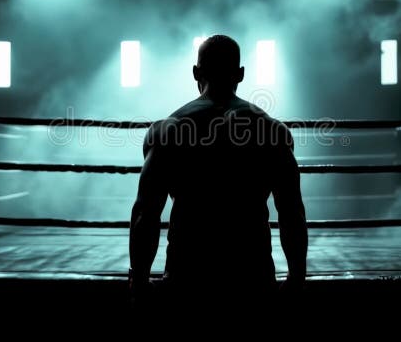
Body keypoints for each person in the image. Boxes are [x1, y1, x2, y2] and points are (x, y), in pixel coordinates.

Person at [128, 34, 307, 308]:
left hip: (188, 272)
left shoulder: (169, 130)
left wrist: (138, 278)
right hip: (251, 272)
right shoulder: (271, 130)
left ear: (196, 72)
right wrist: (297, 276)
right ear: (241, 74)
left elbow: (146, 212)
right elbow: (291, 210)